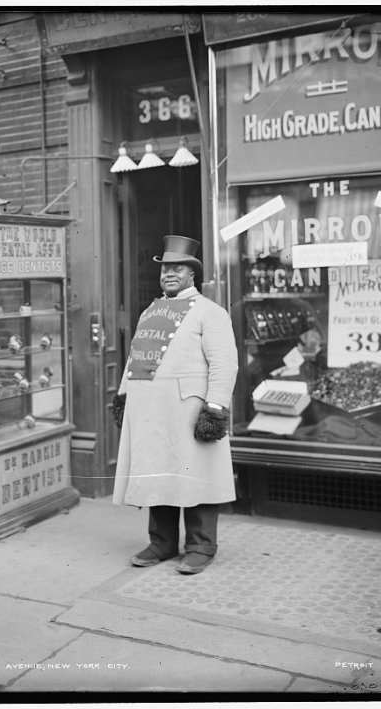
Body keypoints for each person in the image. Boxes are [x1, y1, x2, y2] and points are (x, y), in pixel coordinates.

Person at [111, 235, 238, 574]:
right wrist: (124, 395)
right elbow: (136, 356)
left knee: (195, 478)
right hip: (151, 413)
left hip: (188, 412)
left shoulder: (210, 313)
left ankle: (200, 546)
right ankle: (162, 543)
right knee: (158, 477)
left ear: (192, 273)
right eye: (165, 268)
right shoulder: (151, 311)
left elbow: (224, 364)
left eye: (177, 268)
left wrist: (215, 409)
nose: (169, 273)